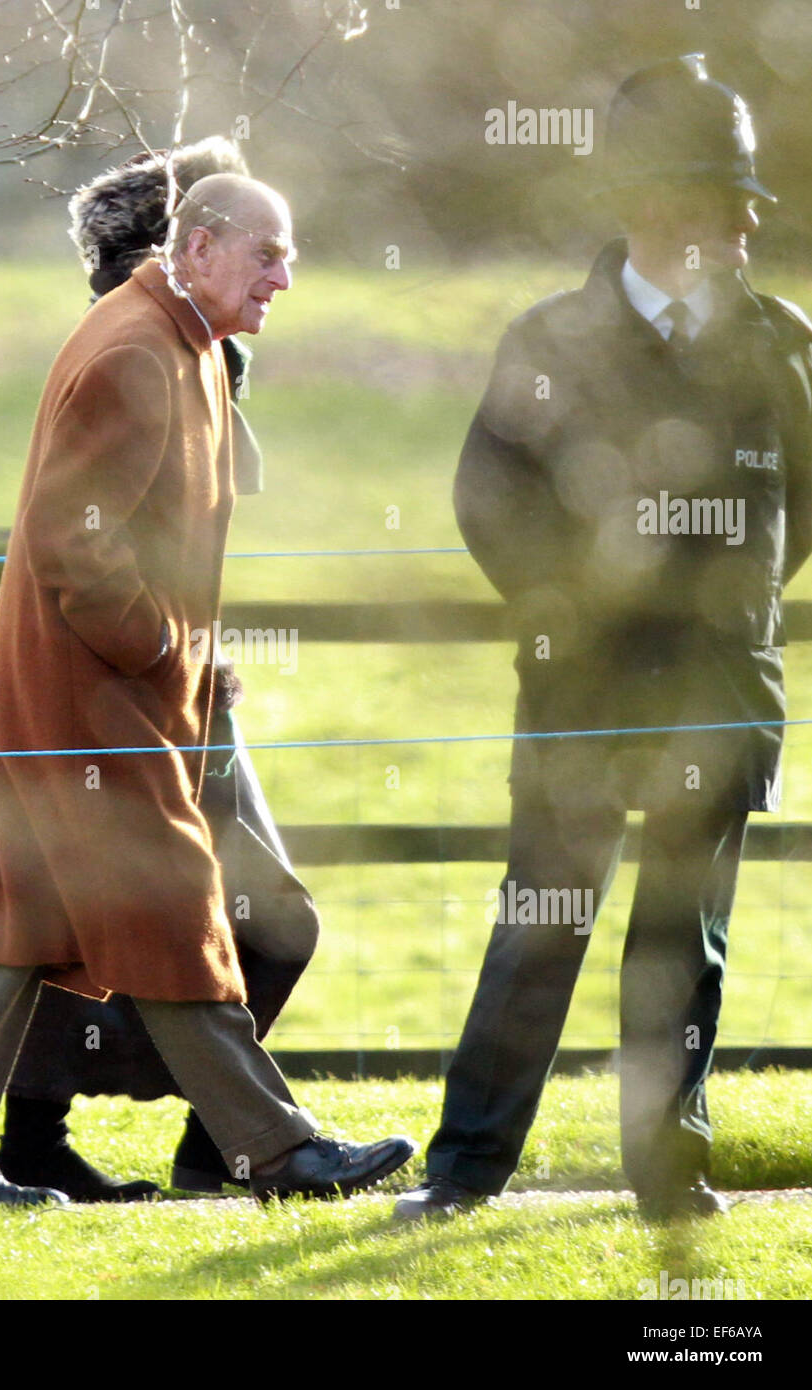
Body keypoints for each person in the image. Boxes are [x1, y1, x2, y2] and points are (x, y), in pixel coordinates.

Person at [0, 171, 415, 1206]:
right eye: (268, 254)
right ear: (203, 245)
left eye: (288, 255)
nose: (285, 277)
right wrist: (168, 648)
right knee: (176, 908)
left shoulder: (192, 347)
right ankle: (274, 1146)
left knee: (14, 926)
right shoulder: (136, 351)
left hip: (106, 694)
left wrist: (188, 656)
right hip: (95, 702)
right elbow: (71, 545)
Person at [394, 54, 812, 1223]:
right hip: (580, 694)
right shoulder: (548, 341)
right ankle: (464, 1171)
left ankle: (668, 1173)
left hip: (725, 695)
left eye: (742, 206)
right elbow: (489, 499)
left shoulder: (786, 348)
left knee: (686, 948)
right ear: (647, 208)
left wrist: (723, 609)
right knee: (540, 931)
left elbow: (802, 513)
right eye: (715, 202)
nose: (738, 227)